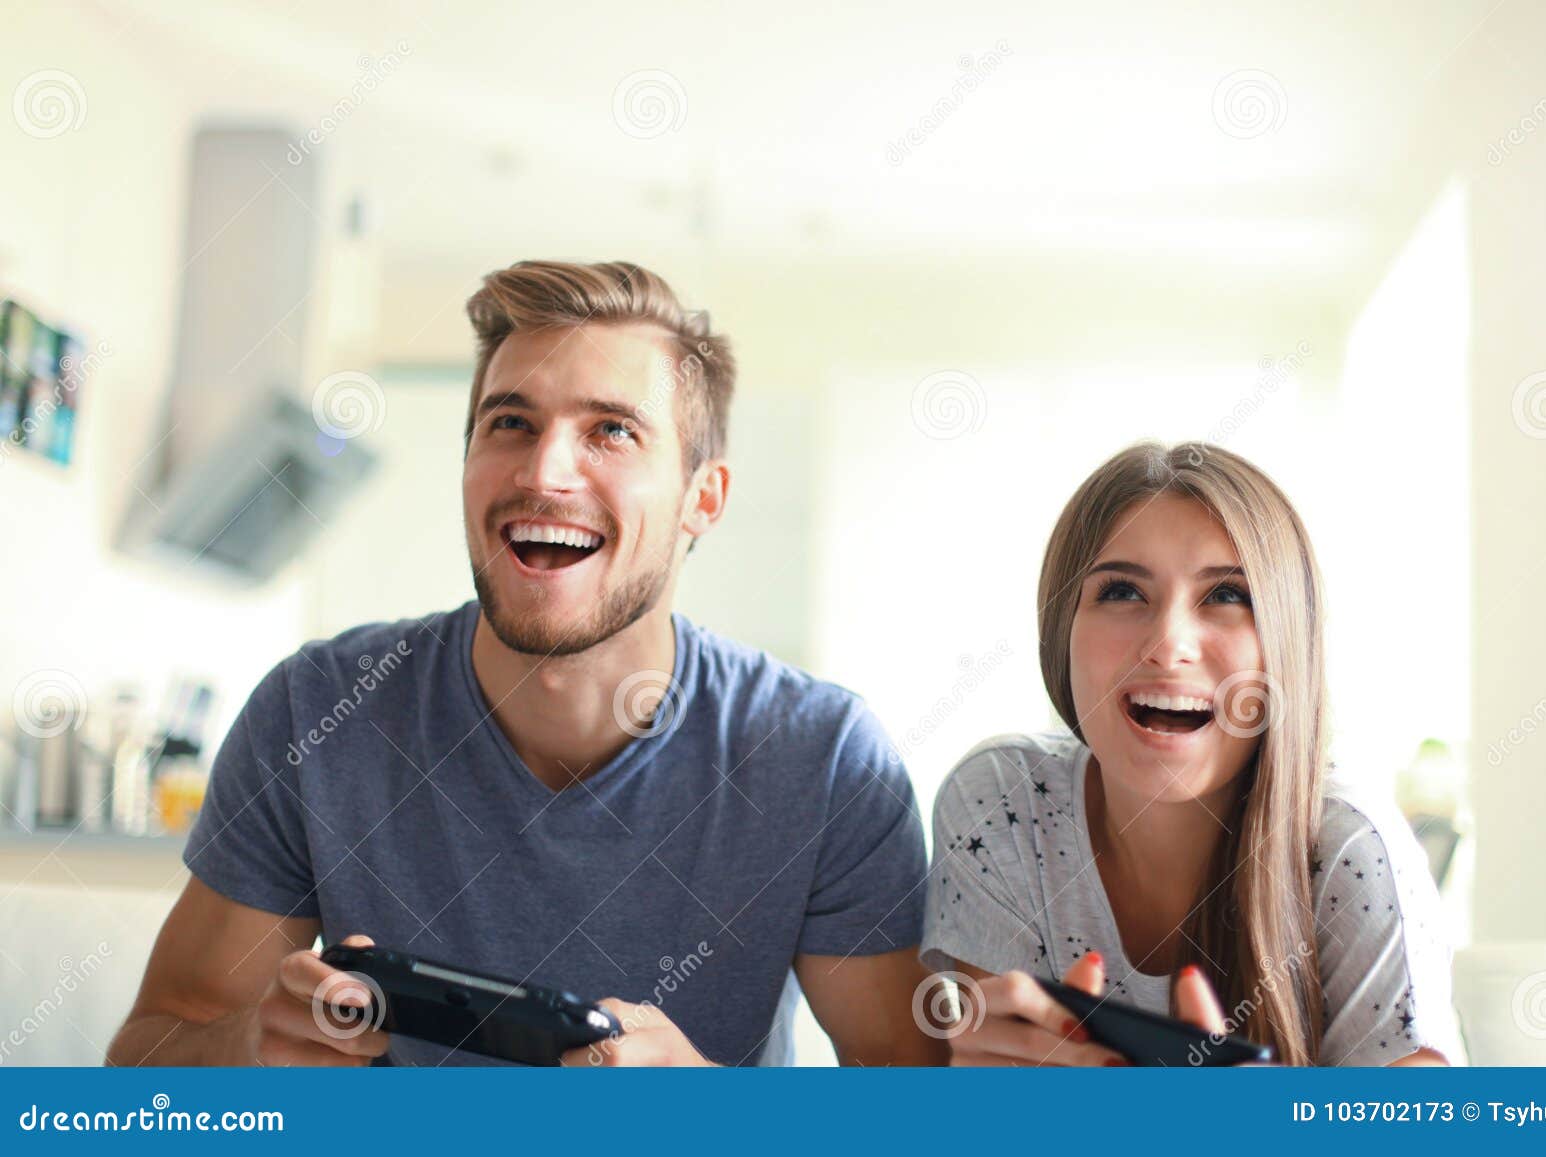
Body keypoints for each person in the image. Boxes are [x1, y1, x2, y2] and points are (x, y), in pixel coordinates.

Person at [109, 260, 942, 1068]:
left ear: (703, 498)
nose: (544, 472)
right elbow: (145, 1062)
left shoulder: (822, 758)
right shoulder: (317, 711)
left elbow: (924, 1111)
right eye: (510, 422)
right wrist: (252, 1050)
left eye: (611, 430)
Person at [921, 441, 1460, 1066]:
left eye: (1228, 596)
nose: (1168, 643)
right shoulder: (1003, 802)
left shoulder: (1351, 851)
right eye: (1122, 592)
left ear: (1286, 645)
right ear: (1060, 630)